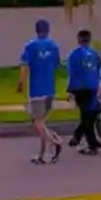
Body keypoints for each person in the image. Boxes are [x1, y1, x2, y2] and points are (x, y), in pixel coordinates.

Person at [18, 19, 63, 164]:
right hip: (50, 89)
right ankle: (43, 154)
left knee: (38, 123)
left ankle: (54, 142)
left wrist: (21, 84)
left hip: (36, 90)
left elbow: (24, 67)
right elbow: (56, 64)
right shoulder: (54, 46)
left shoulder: (30, 46)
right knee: (42, 123)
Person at [66, 29, 101, 154]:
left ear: (79, 40)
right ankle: (80, 137)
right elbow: (99, 69)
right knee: (89, 114)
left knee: (86, 116)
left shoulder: (74, 55)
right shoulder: (95, 54)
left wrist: (70, 90)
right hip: (93, 87)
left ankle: (91, 144)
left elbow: (71, 72)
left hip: (80, 88)